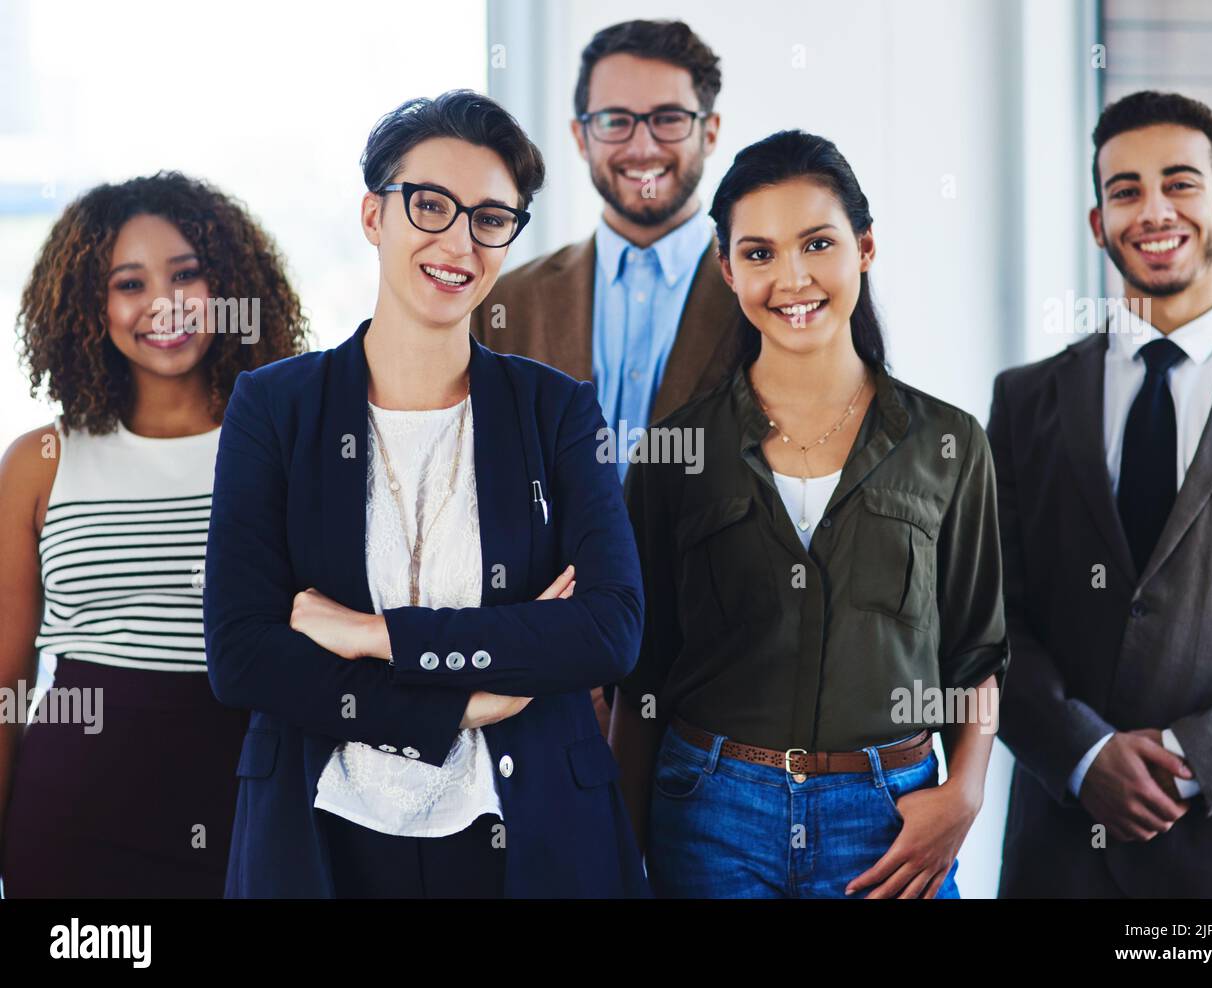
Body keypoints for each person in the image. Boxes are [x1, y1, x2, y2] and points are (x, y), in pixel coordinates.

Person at [204, 91, 649, 898]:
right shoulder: (273, 407)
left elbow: (609, 630)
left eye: (490, 218)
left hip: (525, 827)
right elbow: (243, 657)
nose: (460, 241)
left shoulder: (556, 410)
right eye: (431, 206)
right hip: (326, 832)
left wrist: (375, 636)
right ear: (375, 216)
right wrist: (457, 706)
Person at [609, 130, 1007, 898]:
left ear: (864, 248)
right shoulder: (675, 450)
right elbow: (641, 674)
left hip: (890, 820)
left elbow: (976, 653)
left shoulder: (950, 443)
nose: (791, 278)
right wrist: (621, 854)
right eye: (758, 254)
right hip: (709, 817)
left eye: (817, 243)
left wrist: (963, 796)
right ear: (726, 269)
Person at [992, 90, 1212, 897]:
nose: (1153, 209)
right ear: (1098, 222)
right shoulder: (1025, 400)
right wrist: (1083, 752)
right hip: (1056, 850)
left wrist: (1196, 758)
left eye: (1180, 182)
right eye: (1124, 190)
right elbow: (988, 616)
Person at [0, 172, 308, 896]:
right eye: (128, 284)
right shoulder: (39, 461)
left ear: (231, 285)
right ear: (90, 304)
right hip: (71, 818)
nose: (163, 305)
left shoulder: (284, 444)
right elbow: (4, 683)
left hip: (249, 804)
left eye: (187, 275)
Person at [471, 20, 741, 737]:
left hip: (720, 695)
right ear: (580, 133)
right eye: (616, 120)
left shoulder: (768, 299)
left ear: (710, 131)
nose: (643, 145)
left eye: (669, 119)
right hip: (539, 682)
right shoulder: (504, 302)